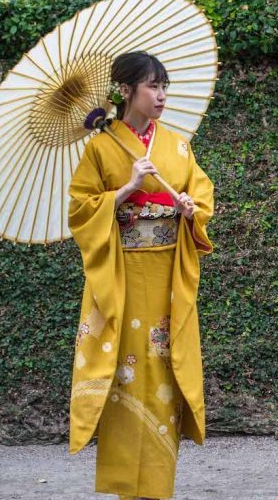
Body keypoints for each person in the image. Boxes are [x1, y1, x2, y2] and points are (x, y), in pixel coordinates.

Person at [66, 50, 214, 499]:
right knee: (123, 371)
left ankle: (157, 486)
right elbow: (80, 210)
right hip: (123, 276)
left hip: (168, 275)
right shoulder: (100, 146)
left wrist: (191, 211)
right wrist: (126, 188)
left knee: (163, 374)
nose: (162, 95)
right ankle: (125, 486)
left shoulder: (177, 146)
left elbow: (200, 192)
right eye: (152, 86)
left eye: (163, 86)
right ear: (125, 91)